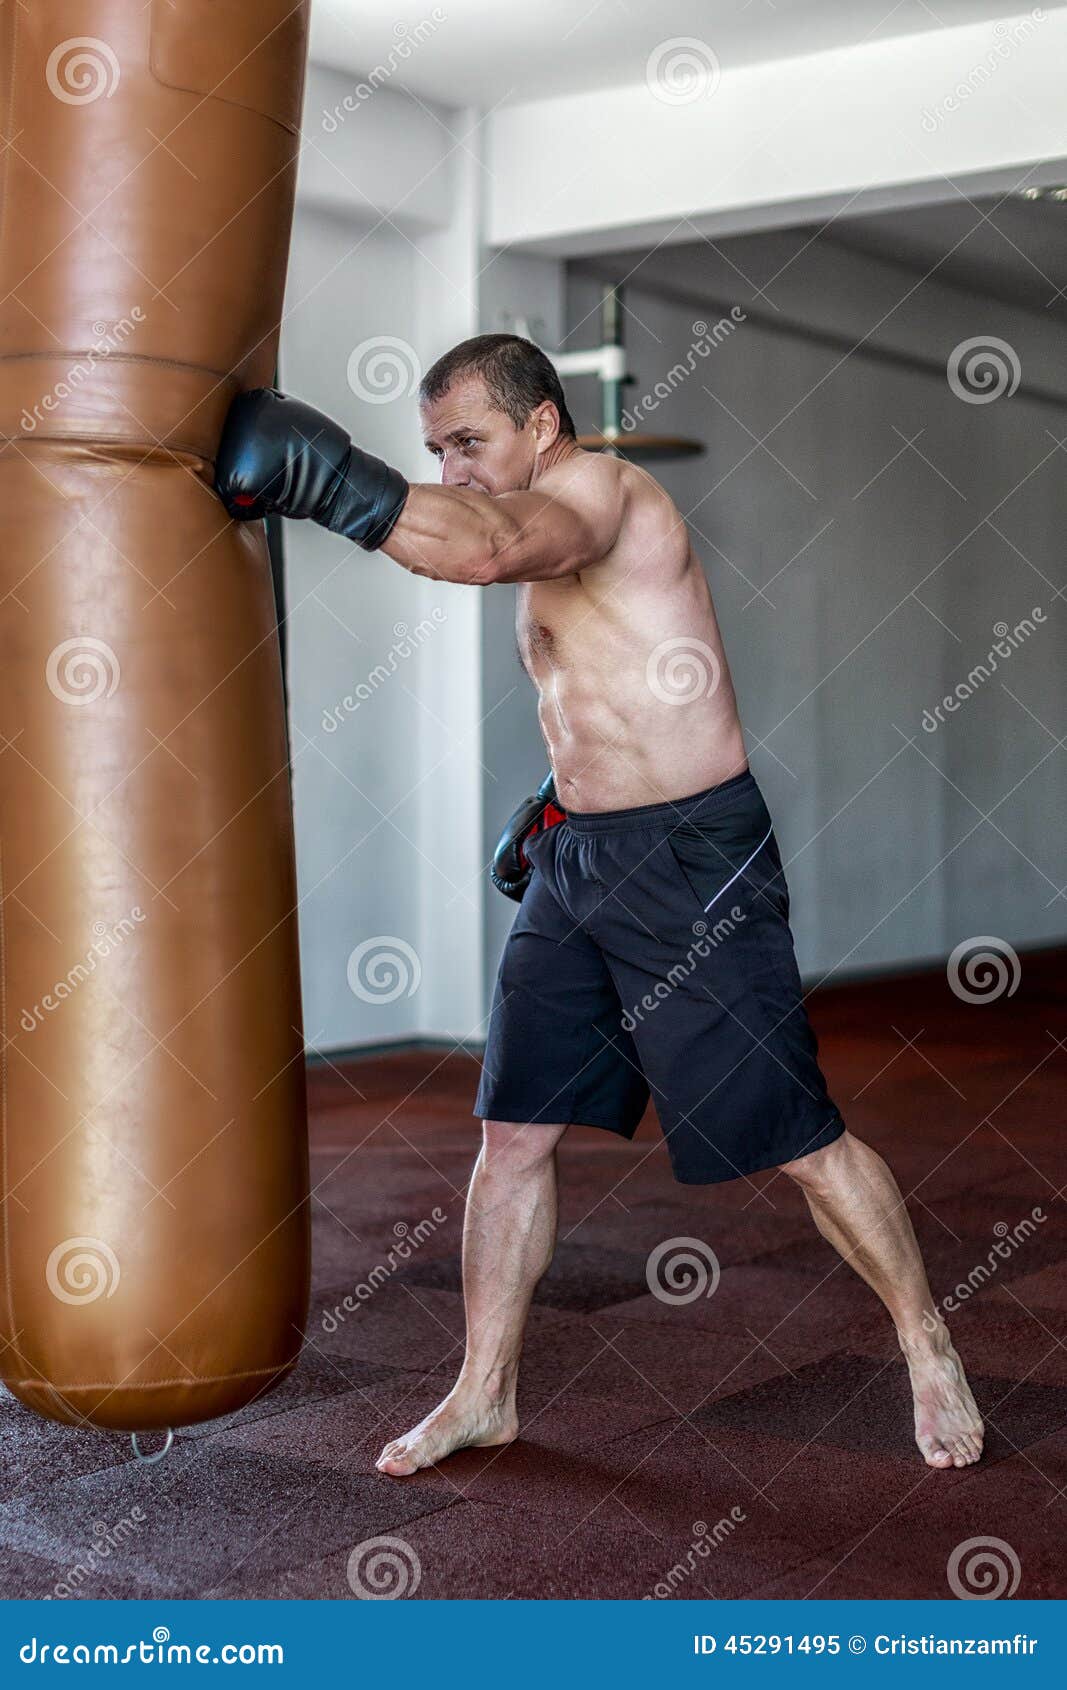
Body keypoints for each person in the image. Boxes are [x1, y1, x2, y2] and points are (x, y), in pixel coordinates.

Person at [214, 334, 985, 1478]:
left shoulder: (599, 491)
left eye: (468, 443)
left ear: (538, 424)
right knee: (512, 1130)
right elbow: (598, 676)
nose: (455, 468)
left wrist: (328, 477)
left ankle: (928, 1343)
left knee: (798, 1137)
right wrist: (555, 798)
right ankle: (485, 1391)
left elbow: (484, 546)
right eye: (435, 451)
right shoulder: (539, 519)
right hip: (579, 856)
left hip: (688, 865)